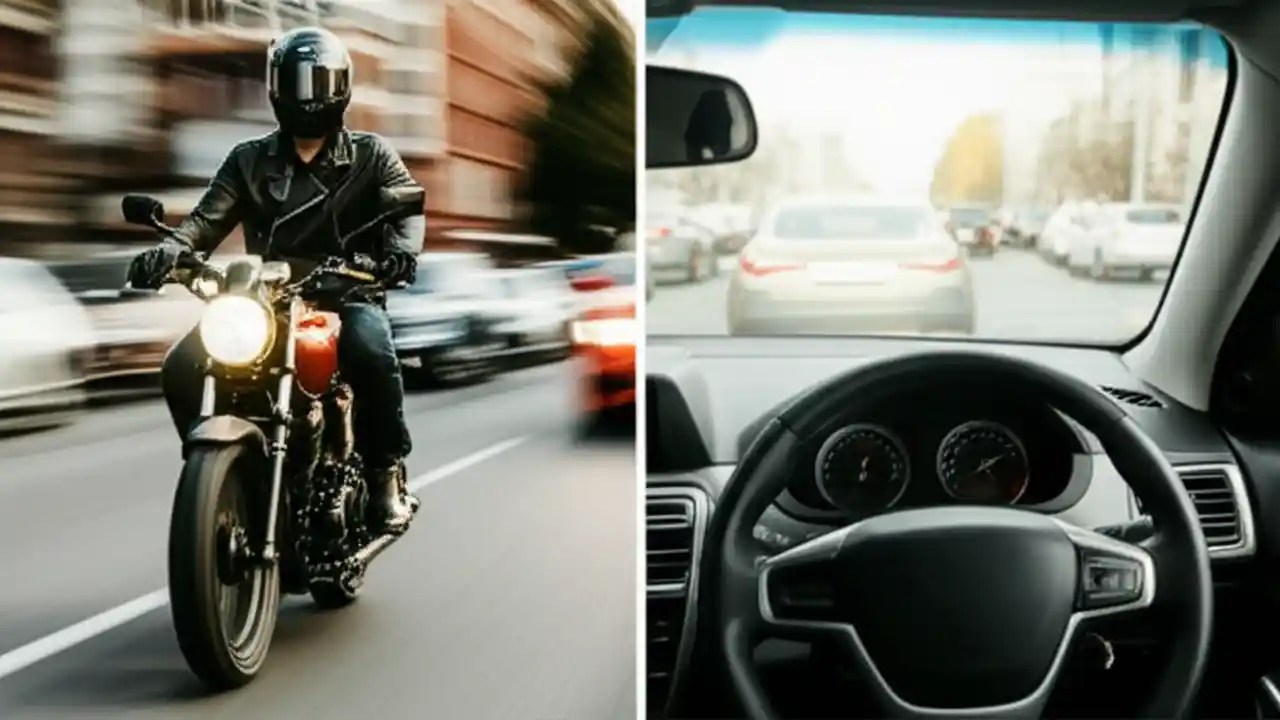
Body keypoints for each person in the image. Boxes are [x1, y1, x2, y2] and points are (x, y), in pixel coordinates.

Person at [126, 26, 423, 532]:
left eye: (319, 82)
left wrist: (398, 255)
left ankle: (382, 475)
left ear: (340, 87)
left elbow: (407, 209)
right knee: (181, 366)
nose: (308, 94)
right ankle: (220, 471)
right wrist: (168, 252)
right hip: (265, 301)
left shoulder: (371, 155)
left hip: (346, 292)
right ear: (276, 87)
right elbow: (203, 222)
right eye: (297, 82)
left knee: (372, 352)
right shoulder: (248, 160)